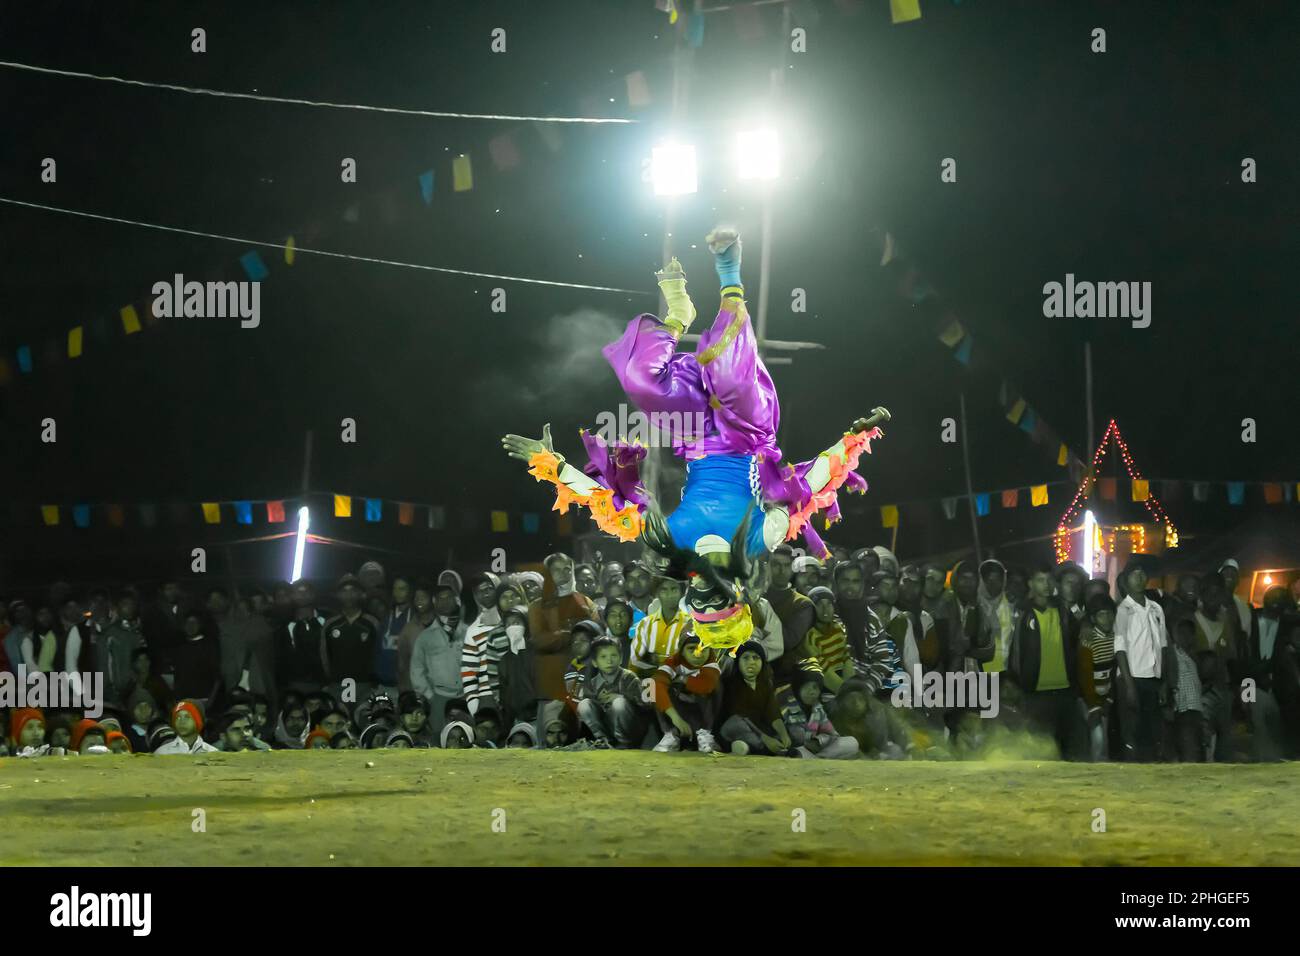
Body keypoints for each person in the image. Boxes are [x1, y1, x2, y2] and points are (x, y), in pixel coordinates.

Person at [502, 229, 891, 658]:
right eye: (717, 601)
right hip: (748, 434)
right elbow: (811, 485)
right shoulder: (761, 539)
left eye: (700, 604)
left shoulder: (673, 541)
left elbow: (605, 500)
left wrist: (554, 466)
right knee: (726, 368)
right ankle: (729, 269)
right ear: (735, 592)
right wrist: (854, 438)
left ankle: (678, 314)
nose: (705, 594)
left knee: (641, 380)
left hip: (697, 436)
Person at [1011, 565, 1085, 760]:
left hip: (1064, 691)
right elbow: (1016, 652)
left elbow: (1079, 638)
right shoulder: (1023, 613)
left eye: (1048, 580)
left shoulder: (1063, 610)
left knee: (1067, 750)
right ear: (1031, 584)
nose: (1045, 585)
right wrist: (1021, 686)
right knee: (1041, 752)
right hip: (1036, 693)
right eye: (1040, 580)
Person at [528, 553, 599, 746]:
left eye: (567, 569)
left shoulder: (585, 602)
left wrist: (560, 635)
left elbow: (595, 634)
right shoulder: (537, 606)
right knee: (547, 742)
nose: (563, 574)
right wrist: (570, 634)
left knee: (576, 741)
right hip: (550, 684)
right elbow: (539, 640)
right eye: (556, 569)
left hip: (579, 683)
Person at [1113, 560, 1171, 761]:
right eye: (1133, 574)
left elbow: (1163, 645)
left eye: (1142, 573)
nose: (1139, 578)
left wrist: (1163, 681)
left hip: (1152, 679)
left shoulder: (1156, 609)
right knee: (1132, 731)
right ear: (1125, 581)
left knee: (1152, 731)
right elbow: (1119, 648)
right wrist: (1128, 685)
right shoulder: (1123, 610)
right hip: (1132, 677)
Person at [410, 584, 467, 740]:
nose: (445, 602)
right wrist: (430, 696)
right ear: (434, 603)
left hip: (466, 697)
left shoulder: (469, 632)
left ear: (457, 601)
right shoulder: (425, 637)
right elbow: (417, 670)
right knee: (438, 738)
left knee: (464, 737)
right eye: (440, 599)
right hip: (438, 698)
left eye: (449, 597)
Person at [649, 633, 723, 753]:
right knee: (652, 687)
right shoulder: (673, 661)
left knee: (717, 684)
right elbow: (654, 685)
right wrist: (676, 718)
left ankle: (705, 735)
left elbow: (705, 686)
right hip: (678, 721)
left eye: (703, 648)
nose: (698, 653)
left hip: (701, 719)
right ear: (682, 651)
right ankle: (670, 735)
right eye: (691, 648)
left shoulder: (711, 662)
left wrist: (684, 679)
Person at [719, 641, 794, 756]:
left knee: (796, 733)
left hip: (760, 729)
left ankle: (753, 747)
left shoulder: (765, 684)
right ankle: (764, 748)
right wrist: (766, 739)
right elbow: (740, 717)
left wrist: (784, 735)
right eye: (746, 658)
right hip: (738, 729)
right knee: (736, 724)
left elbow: (773, 713)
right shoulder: (731, 684)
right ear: (738, 661)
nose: (751, 662)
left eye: (756, 658)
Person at [577, 636, 650, 748]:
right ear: (595, 663)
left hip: (632, 727)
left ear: (621, 659)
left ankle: (624, 743)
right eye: (603, 657)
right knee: (584, 704)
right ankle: (602, 740)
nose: (609, 661)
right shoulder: (592, 683)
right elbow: (590, 713)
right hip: (609, 726)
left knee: (619, 703)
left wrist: (621, 697)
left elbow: (645, 706)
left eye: (614, 656)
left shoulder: (629, 677)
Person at [322, 574, 382, 701]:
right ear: (338, 595)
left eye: (353, 591)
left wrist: (374, 680)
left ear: (360, 594)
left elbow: (378, 653)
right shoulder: (330, 624)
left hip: (365, 686)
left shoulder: (372, 623)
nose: (348, 595)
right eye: (344, 591)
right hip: (337, 685)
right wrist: (329, 680)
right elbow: (324, 655)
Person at [781, 669, 859, 759]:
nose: (812, 692)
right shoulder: (788, 707)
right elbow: (794, 739)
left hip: (814, 752)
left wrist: (819, 741)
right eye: (807, 687)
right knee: (798, 753)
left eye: (815, 687)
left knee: (852, 742)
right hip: (797, 751)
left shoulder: (817, 708)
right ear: (798, 688)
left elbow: (832, 734)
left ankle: (818, 760)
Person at [767, 545, 817, 683]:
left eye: (787, 565)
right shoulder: (755, 595)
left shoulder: (802, 604)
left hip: (786, 677)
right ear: (767, 566)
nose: (781, 570)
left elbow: (786, 641)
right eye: (776, 564)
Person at [1077, 595, 1117, 761]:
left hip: (1104, 698)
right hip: (1089, 699)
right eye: (1101, 615)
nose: (1106, 619)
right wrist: (1093, 705)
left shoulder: (1114, 637)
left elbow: (1114, 672)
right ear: (1093, 618)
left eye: (1109, 614)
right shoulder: (1088, 640)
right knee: (1097, 739)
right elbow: (1085, 675)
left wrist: (1109, 699)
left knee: (1103, 741)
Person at [274, 580, 328, 697]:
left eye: (306, 591)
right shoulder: (284, 626)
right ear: (292, 596)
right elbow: (280, 658)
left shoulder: (327, 621)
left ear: (313, 595)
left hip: (324, 684)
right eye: (297, 592)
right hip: (294, 684)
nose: (302, 595)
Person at [629, 576, 690, 677]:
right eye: (664, 590)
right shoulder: (645, 624)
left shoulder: (690, 624)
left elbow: (693, 665)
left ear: (682, 593)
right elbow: (634, 662)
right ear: (657, 593)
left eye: (674, 589)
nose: (669, 595)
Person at [801, 587, 854, 694]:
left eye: (829, 604)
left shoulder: (838, 627)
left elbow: (846, 657)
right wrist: (843, 690)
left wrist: (850, 685)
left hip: (844, 680)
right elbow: (823, 669)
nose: (825, 609)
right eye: (819, 605)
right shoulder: (810, 636)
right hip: (826, 683)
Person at [98, 590, 146, 707]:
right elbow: (103, 666)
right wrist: (109, 692)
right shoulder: (109, 634)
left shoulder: (138, 632)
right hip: (115, 694)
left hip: (136, 692)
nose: (129, 608)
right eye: (125, 604)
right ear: (117, 608)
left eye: (132, 605)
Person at [1168, 618, 1205, 762]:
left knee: (1196, 751)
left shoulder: (1191, 657)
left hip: (1196, 710)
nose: (1185, 637)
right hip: (1183, 710)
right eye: (1182, 633)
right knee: (1189, 753)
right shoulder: (1173, 654)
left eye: (1189, 634)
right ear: (1175, 634)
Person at [169, 610, 224, 706]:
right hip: (183, 699)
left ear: (200, 625)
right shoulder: (180, 648)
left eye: (194, 623)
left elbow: (217, 677)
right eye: (188, 623)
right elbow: (177, 675)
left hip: (202, 699)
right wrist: (175, 697)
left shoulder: (209, 646)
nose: (190, 626)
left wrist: (211, 699)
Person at [376, 575, 414, 694]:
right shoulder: (386, 617)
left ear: (410, 591)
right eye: (395, 589)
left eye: (402, 589)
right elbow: (377, 649)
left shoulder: (415, 618)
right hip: (382, 683)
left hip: (406, 685)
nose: (397, 593)